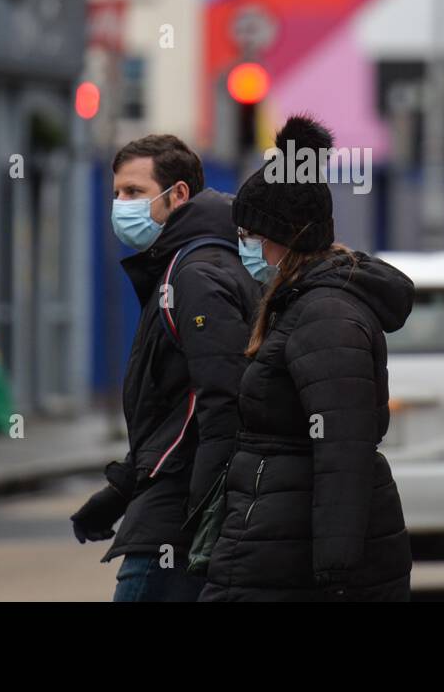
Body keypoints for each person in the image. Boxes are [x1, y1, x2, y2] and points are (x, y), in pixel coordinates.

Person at [200, 115, 415, 602]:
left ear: (285, 238)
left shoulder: (324, 318)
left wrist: (335, 574)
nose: (242, 246)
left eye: (249, 234)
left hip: (295, 564)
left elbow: (344, 449)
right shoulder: (299, 305)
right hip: (276, 553)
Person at [71, 134, 260, 601]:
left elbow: (223, 402)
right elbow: (175, 411)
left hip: (173, 532)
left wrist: (202, 522)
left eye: (134, 193)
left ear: (177, 195)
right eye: (116, 194)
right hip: (169, 516)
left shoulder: (195, 276)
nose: (121, 206)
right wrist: (119, 493)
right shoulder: (182, 267)